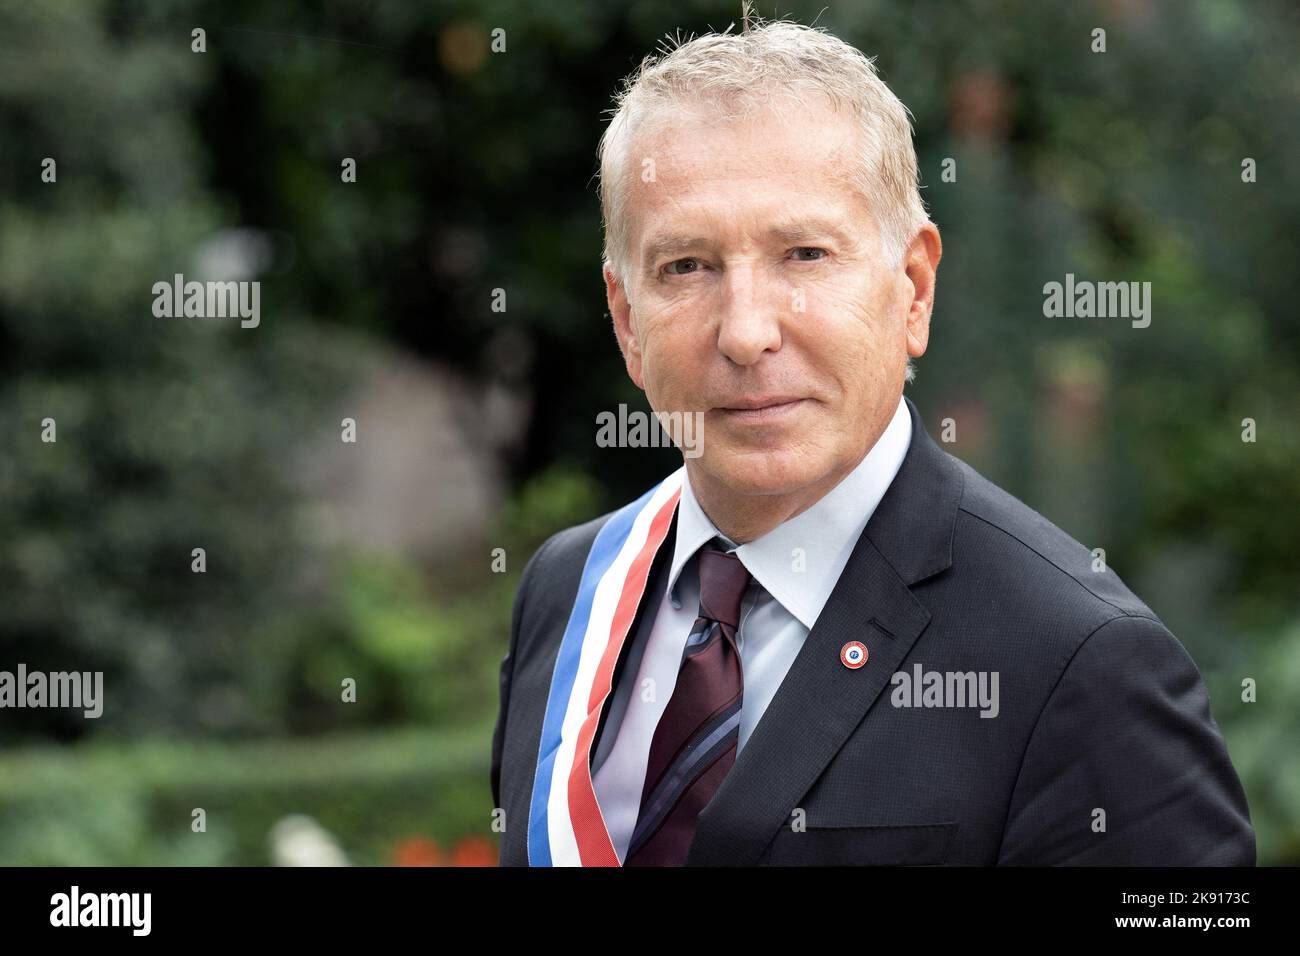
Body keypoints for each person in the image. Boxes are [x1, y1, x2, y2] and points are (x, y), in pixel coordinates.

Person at [491, 15, 1255, 866]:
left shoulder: (1083, 666)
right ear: (627, 321)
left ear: (914, 290)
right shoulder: (567, 592)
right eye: (685, 268)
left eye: (805, 254)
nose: (746, 332)